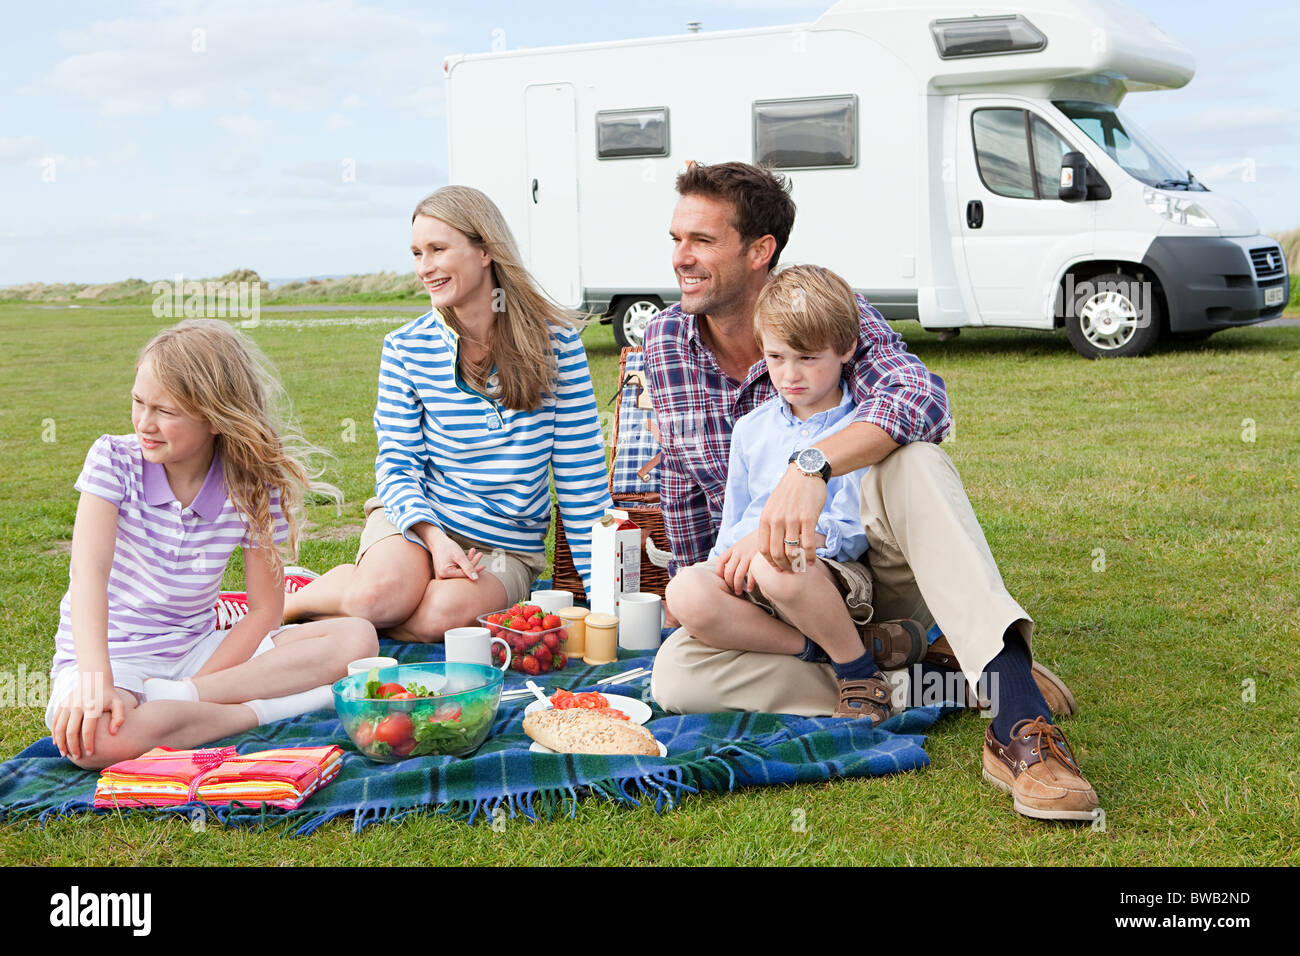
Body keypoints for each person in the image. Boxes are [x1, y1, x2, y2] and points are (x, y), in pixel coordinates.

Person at [644, 161, 1098, 822]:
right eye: (676, 238)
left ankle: (1017, 716)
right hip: (767, 587)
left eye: (701, 241)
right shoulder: (664, 340)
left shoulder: (834, 311)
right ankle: (915, 679)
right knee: (677, 675)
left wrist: (811, 466)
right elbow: (682, 483)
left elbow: (924, 400)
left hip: (863, 566)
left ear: (759, 250)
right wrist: (693, 595)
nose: (681, 257)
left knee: (914, 460)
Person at [283, 186, 613, 640]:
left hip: (504, 548)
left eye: (438, 249)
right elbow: (397, 465)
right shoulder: (405, 348)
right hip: (419, 523)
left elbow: (582, 484)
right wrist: (435, 541)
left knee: (438, 618)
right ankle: (294, 600)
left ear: (485, 251)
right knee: (376, 599)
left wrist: (607, 602)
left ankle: (364, 600)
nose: (425, 268)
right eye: (418, 253)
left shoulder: (557, 347)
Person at [47, 320, 378, 770]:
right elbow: (88, 578)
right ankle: (267, 709)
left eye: (165, 411)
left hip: (197, 651)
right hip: (111, 655)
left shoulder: (254, 485)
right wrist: (94, 680)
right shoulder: (112, 460)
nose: (145, 423)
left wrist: (193, 689)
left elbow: (264, 609)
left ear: (215, 416)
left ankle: (185, 707)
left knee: (356, 638)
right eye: (138, 402)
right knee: (94, 744)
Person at [667, 265, 925, 724]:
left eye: (807, 359)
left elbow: (848, 529)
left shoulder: (857, 430)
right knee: (684, 591)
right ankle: (833, 650)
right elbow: (734, 517)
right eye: (775, 357)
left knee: (779, 564)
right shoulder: (751, 428)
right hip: (748, 575)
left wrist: (768, 541)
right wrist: (725, 561)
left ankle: (858, 673)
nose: (789, 374)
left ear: (846, 349)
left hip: (819, 574)